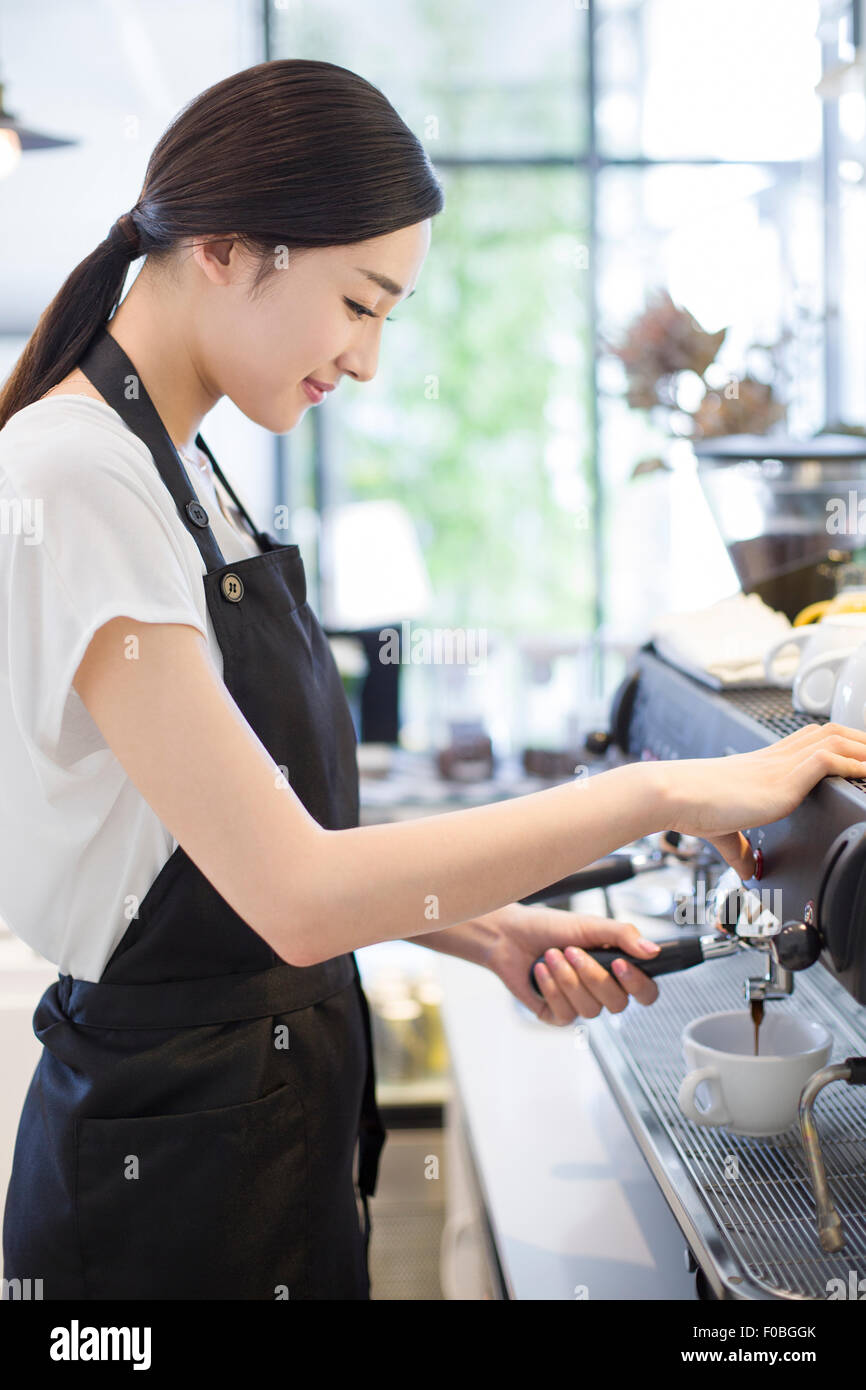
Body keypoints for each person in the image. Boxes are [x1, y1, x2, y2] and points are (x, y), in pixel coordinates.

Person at [1, 57, 865, 1303]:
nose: (364, 359)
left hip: (254, 1125)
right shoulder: (80, 473)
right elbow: (293, 894)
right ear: (232, 247)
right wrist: (663, 791)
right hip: (164, 1179)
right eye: (358, 302)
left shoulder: (185, 469)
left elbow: (226, 846)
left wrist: (490, 927)